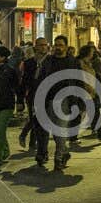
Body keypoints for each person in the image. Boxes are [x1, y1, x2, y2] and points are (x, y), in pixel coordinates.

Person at [32, 35, 77, 172]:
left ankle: (58, 159)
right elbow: (40, 80)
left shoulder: (72, 62)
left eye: (61, 45)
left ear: (66, 46)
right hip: (49, 100)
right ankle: (64, 153)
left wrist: (78, 104)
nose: (58, 47)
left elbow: (79, 82)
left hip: (65, 101)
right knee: (55, 131)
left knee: (60, 130)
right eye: (56, 45)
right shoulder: (48, 61)